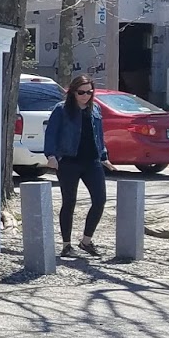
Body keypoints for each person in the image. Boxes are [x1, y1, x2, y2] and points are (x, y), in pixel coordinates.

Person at [43, 74, 115, 258]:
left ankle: (86, 241)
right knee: (69, 202)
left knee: (100, 200)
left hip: (92, 162)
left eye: (89, 92)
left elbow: (99, 135)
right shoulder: (62, 109)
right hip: (68, 161)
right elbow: (51, 134)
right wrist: (51, 155)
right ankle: (66, 245)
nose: (85, 96)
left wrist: (104, 156)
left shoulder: (96, 109)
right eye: (81, 92)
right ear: (73, 92)